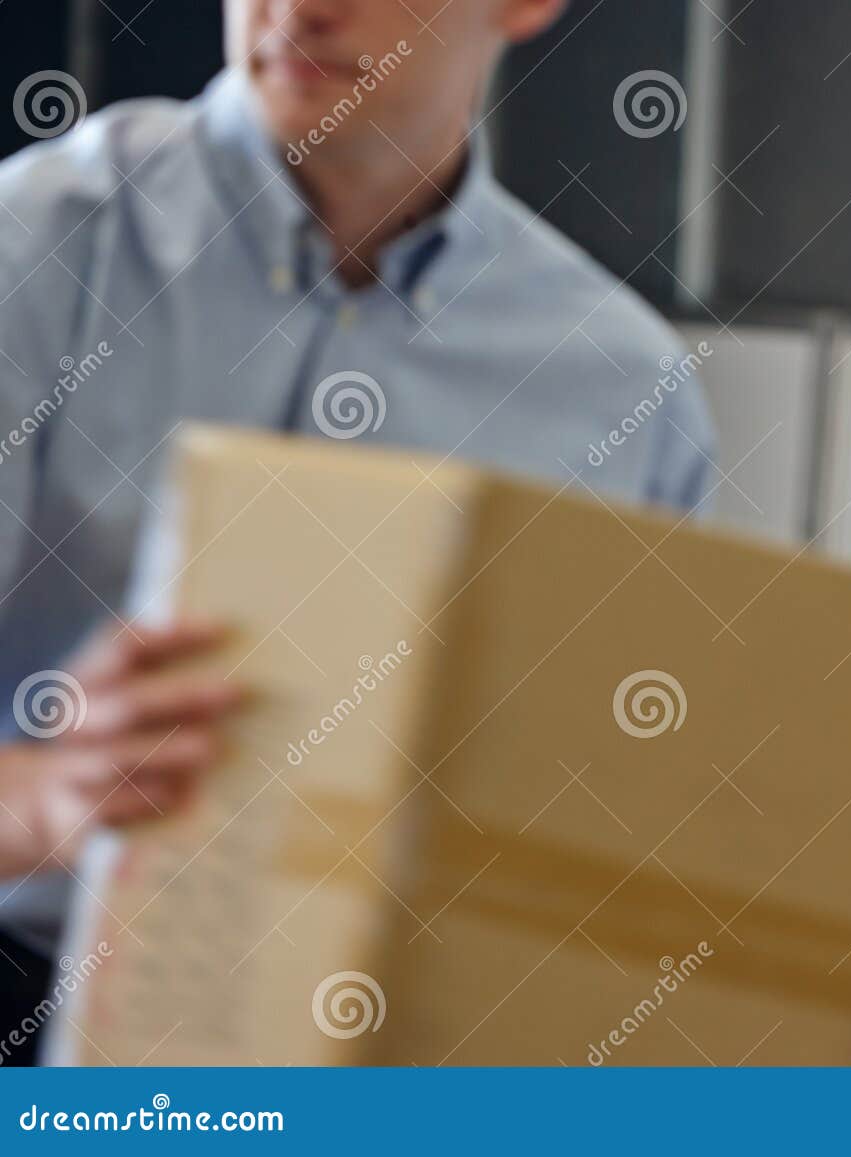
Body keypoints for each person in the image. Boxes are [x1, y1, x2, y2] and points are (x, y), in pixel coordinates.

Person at [0, 0, 717, 1061]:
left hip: (409, 1036)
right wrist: (39, 802)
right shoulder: (35, 250)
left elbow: (633, 818)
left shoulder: (624, 391)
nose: (295, 8)